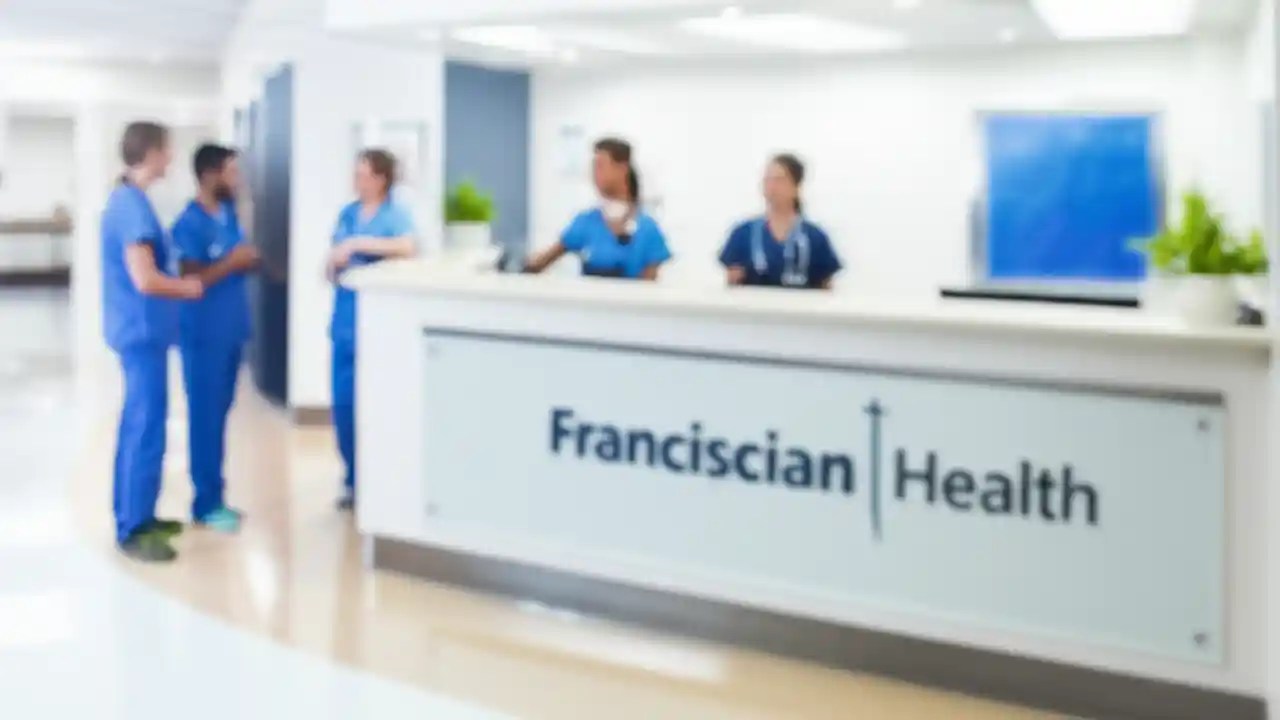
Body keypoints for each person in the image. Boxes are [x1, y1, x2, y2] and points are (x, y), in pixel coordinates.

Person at [101, 121, 204, 562]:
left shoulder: (132, 202)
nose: (173, 157)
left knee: (143, 424)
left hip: (146, 334)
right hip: (140, 334)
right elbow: (144, 278)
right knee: (143, 427)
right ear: (153, 153)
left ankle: (140, 513)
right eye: (168, 149)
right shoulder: (130, 207)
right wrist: (189, 288)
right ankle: (132, 528)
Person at [172, 144, 259, 533]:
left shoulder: (227, 215)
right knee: (205, 420)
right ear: (209, 175)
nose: (237, 179)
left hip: (231, 333)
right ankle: (204, 504)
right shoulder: (187, 224)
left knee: (220, 418)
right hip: (203, 337)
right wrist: (232, 263)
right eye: (231, 171)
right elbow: (191, 281)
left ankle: (217, 497)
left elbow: (237, 259)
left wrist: (250, 261)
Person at [328, 149, 417, 510]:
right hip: (345, 323)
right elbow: (332, 261)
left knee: (378, 407)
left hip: (378, 331)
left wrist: (356, 244)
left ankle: (378, 481)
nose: (357, 180)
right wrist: (333, 263)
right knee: (345, 405)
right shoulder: (347, 214)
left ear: (381, 179)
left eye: (363, 174)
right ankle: (352, 479)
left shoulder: (395, 215)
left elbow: (407, 248)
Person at [525, 138, 671, 280]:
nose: (593, 174)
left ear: (622, 168)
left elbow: (649, 292)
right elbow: (541, 262)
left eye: (600, 166)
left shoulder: (647, 228)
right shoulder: (586, 222)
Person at [720, 154, 842, 289]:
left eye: (779, 180)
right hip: (754, 307)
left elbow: (826, 288)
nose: (772, 186)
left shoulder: (815, 237)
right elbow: (732, 287)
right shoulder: (743, 234)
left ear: (796, 186)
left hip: (800, 308)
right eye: (767, 179)